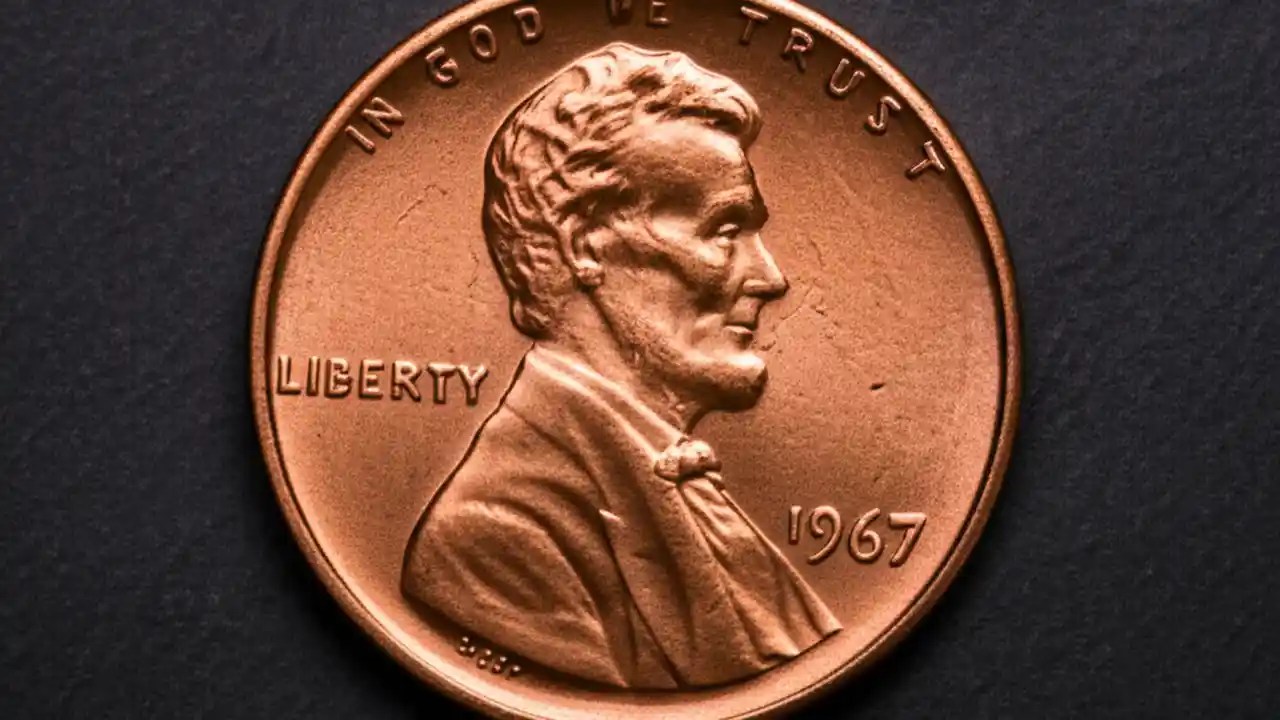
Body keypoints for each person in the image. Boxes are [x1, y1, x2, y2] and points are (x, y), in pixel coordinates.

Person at [402, 43, 840, 690]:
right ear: (585, 245)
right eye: (724, 231)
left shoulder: (674, 479)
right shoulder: (493, 537)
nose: (769, 278)